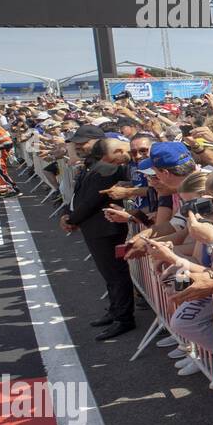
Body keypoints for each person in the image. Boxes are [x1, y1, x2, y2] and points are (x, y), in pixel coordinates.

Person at [61, 135, 135, 340]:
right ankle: (115, 311)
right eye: (118, 150)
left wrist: (72, 219)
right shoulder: (94, 167)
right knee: (109, 275)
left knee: (116, 275)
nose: (123, 154)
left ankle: (124, 318)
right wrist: (67, 214)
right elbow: (79, 195)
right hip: (94, 228)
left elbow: (92, 200)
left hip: (105, 229)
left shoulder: (108, 170)